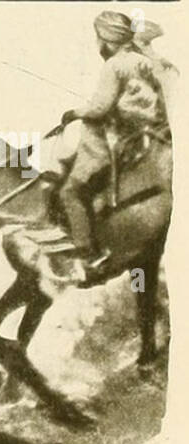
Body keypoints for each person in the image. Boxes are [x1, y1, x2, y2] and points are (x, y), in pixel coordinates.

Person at [37, 10, 174, 279]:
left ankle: (89, 255)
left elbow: (100, 108)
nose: (97, 43)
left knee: (70, 192)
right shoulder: (145, 61)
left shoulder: (114, 65)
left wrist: (73, 113)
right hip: (151, 133)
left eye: (97, 38)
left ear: (106, 38)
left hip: (118, 137)